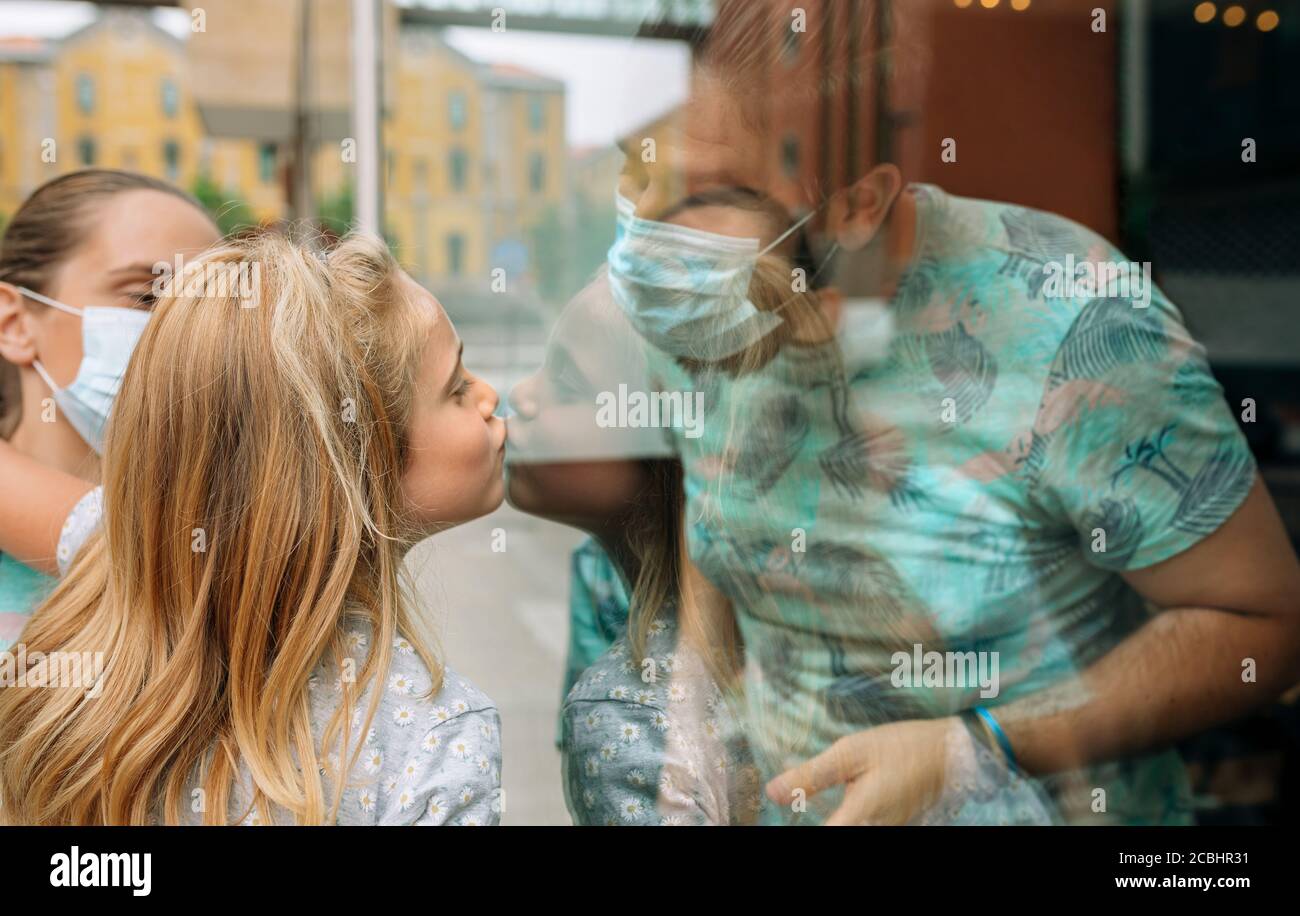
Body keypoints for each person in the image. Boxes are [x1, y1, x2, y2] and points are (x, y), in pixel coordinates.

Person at [542, 5, 1300, 825]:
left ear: (858, 204)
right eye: (635, 167)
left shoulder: (1075, 319)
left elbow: (1263, 624)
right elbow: (724, 512)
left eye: (705, 196)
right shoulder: (697, 309)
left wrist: (979, 750)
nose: (645, 231)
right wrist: (696, 701)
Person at [0, 231, 505, 825]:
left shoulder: (120, 553)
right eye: (456, 387)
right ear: (350, 464)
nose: (488, 395)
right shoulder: (436, 739)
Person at [0, 170, 219, 648]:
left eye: (207, 310)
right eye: (146, 296)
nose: (182, 334)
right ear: (14, 323)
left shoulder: (227, 537)